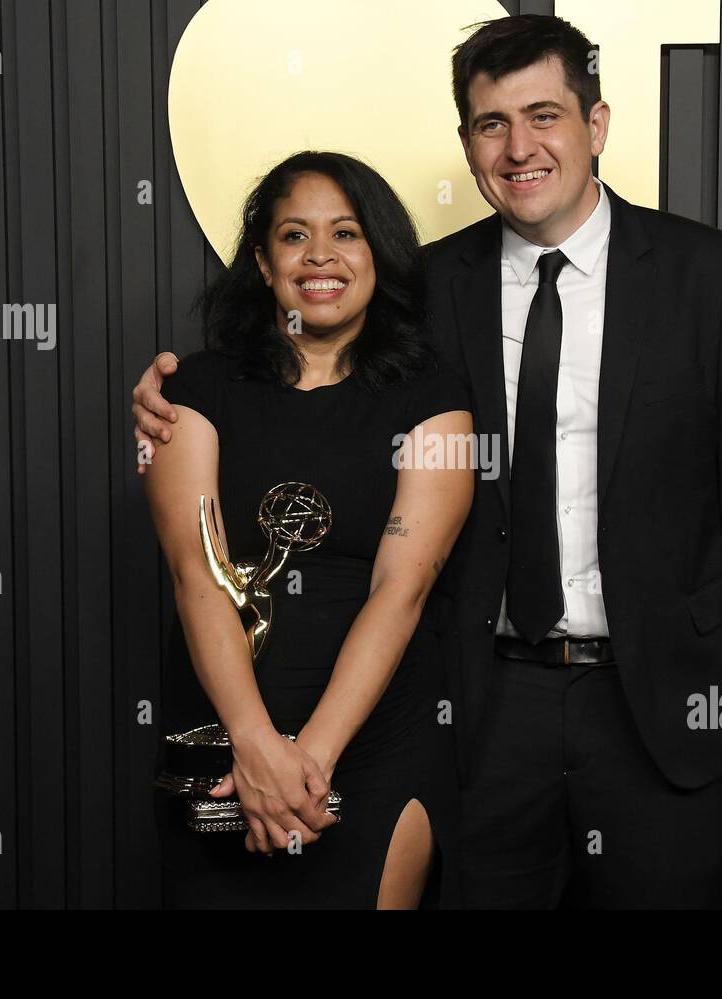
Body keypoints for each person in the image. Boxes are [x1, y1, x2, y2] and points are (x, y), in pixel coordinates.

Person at [135, 15, 722, 909]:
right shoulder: (428, 283)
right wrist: (163, 388)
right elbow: (300, 359)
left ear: (596, 125)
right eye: (492, 124)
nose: (519, 147)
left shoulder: (707, 274)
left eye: (544, 115)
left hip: (662, 707)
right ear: (466, 142)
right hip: (483, 704)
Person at [142, 150, 474, 909]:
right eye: (294, 236)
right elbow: (199, 575)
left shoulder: (433, 397)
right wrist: (257, 747)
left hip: (378, 741)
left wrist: (308, 760)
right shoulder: (193, 389)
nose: (320, 256)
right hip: (224, 742)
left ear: (378, 255)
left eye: (346, 234)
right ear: (262, 262)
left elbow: (403, 587)